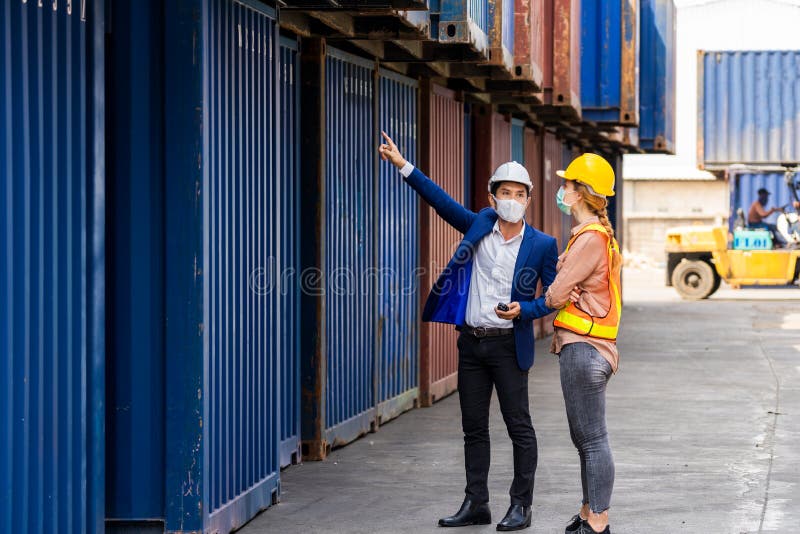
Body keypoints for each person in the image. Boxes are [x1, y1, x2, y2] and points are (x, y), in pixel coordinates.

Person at [378, 131, 558, 531]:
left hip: (510, 345)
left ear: (529, 199)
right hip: (472, 344)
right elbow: (441, 202)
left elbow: (556, 296)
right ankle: (477, 503)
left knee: (519, 428)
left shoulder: (544, 244)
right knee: (473, 429)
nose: (511, 199)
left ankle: (521, 507)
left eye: (519, 193)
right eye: (504, 192)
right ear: (492, 197)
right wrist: (403, 165)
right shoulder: (479, 223)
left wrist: (524, 309)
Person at [544, 154, 622, 534]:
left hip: (584, 347)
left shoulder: (590, 238)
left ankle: (598, 522)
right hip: (589, 348)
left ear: (579, 194)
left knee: (591, 439)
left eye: (568, 185)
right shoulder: (592, 237)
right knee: (585, 439)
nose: (562, 191)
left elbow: (554, 296)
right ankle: (588, 512)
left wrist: (561, 290)